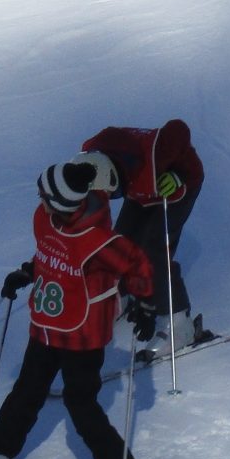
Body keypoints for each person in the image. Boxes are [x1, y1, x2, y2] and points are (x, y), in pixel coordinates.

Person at [0, 162, 156, 459]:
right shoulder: (45, 217)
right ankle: (0, 452)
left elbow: (137, 264)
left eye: (45, 196)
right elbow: (49, 251)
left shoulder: (99, 242)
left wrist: (144, 304)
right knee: (26, 392)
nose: (39, 201)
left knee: (81, 406)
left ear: (63, 204)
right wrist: (28, 272)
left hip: (83, 335)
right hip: (46, 327)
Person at [73, 122, 206, 342]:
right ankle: (121, 296)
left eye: (111, 193)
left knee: (154, 251)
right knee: (121, 242)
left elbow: (178, 129)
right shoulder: (91, 156)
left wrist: (179, 175)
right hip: (138, 187)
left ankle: (179, 323)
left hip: (175, 188)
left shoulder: (155, 157)